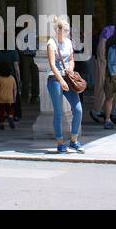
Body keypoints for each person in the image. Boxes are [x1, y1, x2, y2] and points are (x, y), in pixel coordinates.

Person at [46, 16, 84, 153]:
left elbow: (72, 59)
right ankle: (60, 142)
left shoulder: (68, 42)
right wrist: (61, 80)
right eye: (65, 30)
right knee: (59, 112)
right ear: (58, 30)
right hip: (55, 79)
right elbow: (52, 64)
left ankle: (74, 140)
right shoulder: (51, 43)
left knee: (78, 109)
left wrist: (71, 69)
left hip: (67, 77)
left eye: (68, 30)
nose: (67, 32)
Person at [89, 22, 116, 124]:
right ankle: (97, 110)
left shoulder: (104, 37)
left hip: (105, 65)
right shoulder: (105, 40)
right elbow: (101, 55)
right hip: (103, 65)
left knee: (106, 89)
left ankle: (106, 112)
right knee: (101, 88)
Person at [0, 61, 18, 130]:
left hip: (0, 99)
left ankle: (1, 124)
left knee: (1, 112)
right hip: (10, 99)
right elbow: (15, 89)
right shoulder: (12, 78)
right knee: (10, 110)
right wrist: (14, 97)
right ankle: (10, 117)